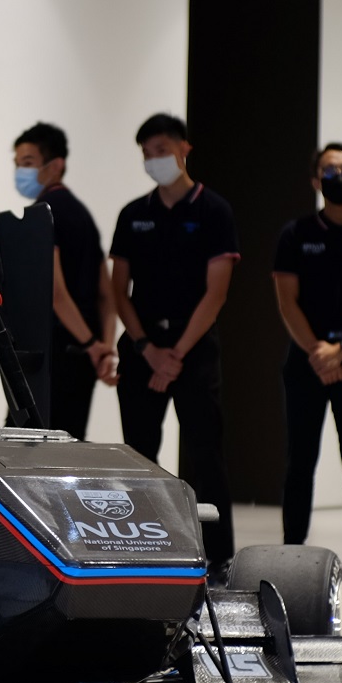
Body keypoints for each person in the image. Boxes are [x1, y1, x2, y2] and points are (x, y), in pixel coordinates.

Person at [109, 113, 239, 569]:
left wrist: (176, 354)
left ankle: (220, 557)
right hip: (144, 346)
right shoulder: (134, 214)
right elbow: (117, 290)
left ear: (185, 149)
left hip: (194, 347)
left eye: (161, 150)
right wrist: (147, 348)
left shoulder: (213, 211)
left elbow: (216, 292)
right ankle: (140, 546)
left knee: (206, 452)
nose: (153, 159)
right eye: (146, 153)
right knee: (138, 452)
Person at [270, 143, 342, 583]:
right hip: (306, 362)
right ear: (316, 181)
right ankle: (291, 551)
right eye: (329, 169)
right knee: (301, 459)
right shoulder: (296, 234)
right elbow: (286, 300)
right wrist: (319, 351)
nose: (338, 174)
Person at [14, 123, 117, 439]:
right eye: (17, 164)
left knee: (27, 448)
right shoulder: (82, 215)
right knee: (68, 447)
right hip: (84, 359)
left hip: (53, 354)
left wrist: (91, 344)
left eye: (28, 163)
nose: (20, 171)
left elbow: (55, 292)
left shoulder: (43, 214)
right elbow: (106, 294)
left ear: (55, 164)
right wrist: (105, 348)